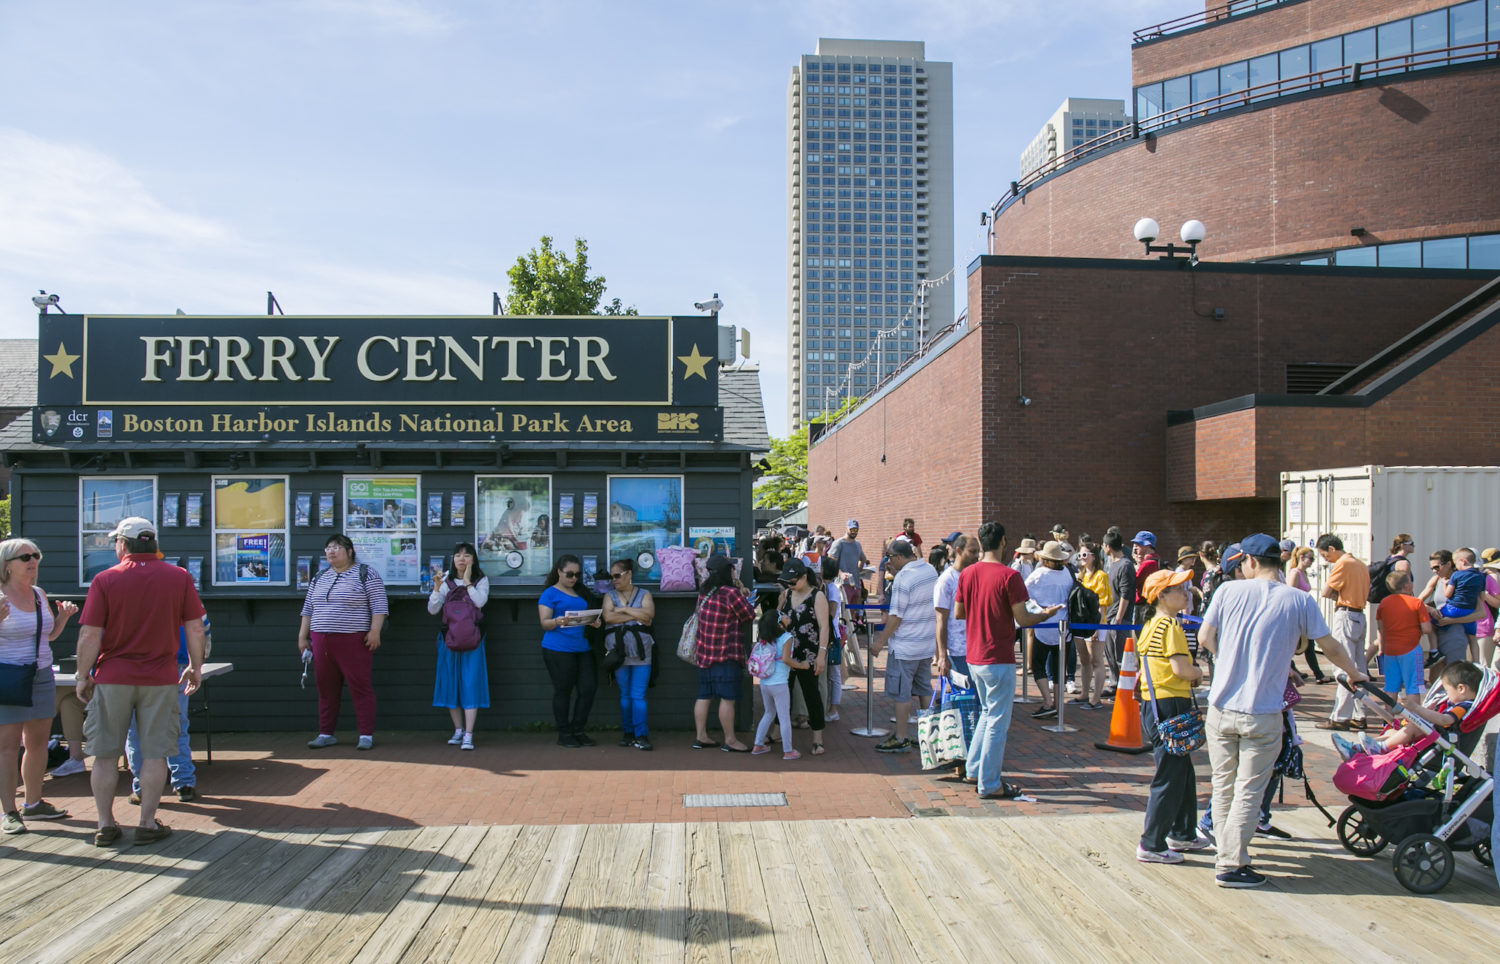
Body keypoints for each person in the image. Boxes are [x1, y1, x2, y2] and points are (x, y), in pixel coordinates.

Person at [1198, 533, 1366, 888]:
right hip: (1263, 711)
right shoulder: (1299, 601)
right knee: (1248, 789)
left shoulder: (1227, 592)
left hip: (1220, 706)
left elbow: (1205, 638)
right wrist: (1354, 674)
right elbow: (1331, 647)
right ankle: (1230, 862)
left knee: (1224, 784)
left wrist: (1225, 659)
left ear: (1251, 562)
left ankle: (1225, 854)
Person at [75, 518, 206, 847]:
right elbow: (195, 628)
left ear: (123, 543)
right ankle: (147, 822)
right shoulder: (178, 577)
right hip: (161, 678)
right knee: (155, 754)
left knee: (105, 755)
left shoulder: (105, 579)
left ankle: (105, 824)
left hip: (113, 677)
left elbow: (90, 634)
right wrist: (194, 667)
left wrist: (82, 675)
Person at [955, 521, 1062, 800]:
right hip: (997, 655)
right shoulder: (1009, 576)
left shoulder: (967, 574)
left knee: (988, 714)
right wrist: (1046, 614)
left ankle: (974, 769)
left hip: (974, 655)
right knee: (997, 722)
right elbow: (1023, 618)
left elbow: (959, 612)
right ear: (1003, 542)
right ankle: (989, 783)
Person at [0, 539, 79, 835]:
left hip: (41, 674)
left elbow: (46, 637)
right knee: (7, 747)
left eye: (35, 555)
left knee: (36, 743)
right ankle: (8, 810)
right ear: (7, 564)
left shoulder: (37, 594)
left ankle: (33, 804)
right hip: (8, 675)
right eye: (24, 557)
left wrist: (61, 619)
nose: (32, 561)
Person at [1135, 568, 1208, 863]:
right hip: (1170, 704)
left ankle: (1183, 831)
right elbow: (1182, 670)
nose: (1186, 592)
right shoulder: (1171, 627)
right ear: (1161, 595)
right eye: (1178, 588)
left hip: (1155, 705)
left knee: (1181, 771)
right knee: (1170, 774)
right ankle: (1152, 843)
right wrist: (1199, 673)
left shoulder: (1153, 624)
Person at [300, 534, 388, 751]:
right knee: (326, 687)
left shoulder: (365, 573)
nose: (331, 551)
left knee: (360, 686)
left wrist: (375, 631)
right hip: (321, 640)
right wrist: (302, 636)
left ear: (350, 552)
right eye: (328, 547)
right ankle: (325, 733)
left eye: (337, 547)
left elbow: (379, 605)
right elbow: (308, 609)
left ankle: (366, 735)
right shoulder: (319, 577)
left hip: (353, 639)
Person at [126, 613, 211, 804]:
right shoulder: (180, 588)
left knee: (135, 729)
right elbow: (202, 626)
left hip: (133, 664)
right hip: (174, 662)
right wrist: (197, 662)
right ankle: (184, 784)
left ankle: (142, 788)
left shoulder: (120, 587)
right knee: (176, 725)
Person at [1335, 660, 1481, 759]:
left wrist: (1416, 708)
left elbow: (1445, 719)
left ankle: (1381, 747)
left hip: (1436, 739)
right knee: (1393, 731)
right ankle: (1357, 749)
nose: (1447, 695)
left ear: (1461, 689)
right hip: (1432, 736)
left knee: (1412, 727)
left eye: (1448, 691)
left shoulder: (1465, 705)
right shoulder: (1458, 703)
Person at [871, 540, 937, 753]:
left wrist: (880, 642)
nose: (887, 562)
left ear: (899, 557)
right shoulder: (930, 570)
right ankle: (928, 735)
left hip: (905, 646)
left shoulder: (903, 578)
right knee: (924, 689)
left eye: (889, 557)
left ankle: (900, 737)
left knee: (902, 693)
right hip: (926, 644)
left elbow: (896, 615)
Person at [429, 541, 489, 751]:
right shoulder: (445, 580)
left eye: (467, 555)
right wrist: (436, 588)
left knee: (471, 683)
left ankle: (469, 733)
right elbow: (433, 609)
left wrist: (468, 582)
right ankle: (458, 729)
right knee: (450, 683)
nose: (461, 559)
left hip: (473, 639)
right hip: (449, 639)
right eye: (458, 555)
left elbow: (480, 602)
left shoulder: (481, 580)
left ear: (473, 559)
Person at [692, 554, 756, 752]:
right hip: (726, 654)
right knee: (727, 698)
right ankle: (730, 740)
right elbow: (748, 615)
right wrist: (745, 595)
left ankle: (701, 736)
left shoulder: (704, 591)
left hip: (704, 654)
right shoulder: (730, 593)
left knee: (704, 695)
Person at [538, 554, 600, 749]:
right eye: (570, 574)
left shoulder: (580, 591)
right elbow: (544, 623)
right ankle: (564, 733)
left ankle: (578, 729)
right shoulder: (550, 594)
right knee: (563, 690)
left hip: (582, 647)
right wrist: (557, 621)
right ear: (559, 572)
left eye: (577, 575)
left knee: (588, 688)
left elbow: (588, 614)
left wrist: (594, 622)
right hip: (558, 648)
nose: (573, 578)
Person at [1313, 534, 1370, 733]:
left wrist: (1338, 596)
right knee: (1358, 666)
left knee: (1344, 667)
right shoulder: (1360, 564)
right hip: (1360, 616)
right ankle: (1359, 714)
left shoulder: (1343, 564)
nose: (1324, 559)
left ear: (1331, 549)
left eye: (1324, 554)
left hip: (1345, 614)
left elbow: (1326, 591)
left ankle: (1341, 717)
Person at [776, 558, 829, 755]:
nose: (790, 585)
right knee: (783, 691)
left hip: (809, 654)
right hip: (787, 653)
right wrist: (779, 605)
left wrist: (821, 654)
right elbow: (779, 622)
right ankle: (776, 731)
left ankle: (817, 737)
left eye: (793, 581)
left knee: (811, 694)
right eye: (787, 582)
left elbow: (824, 627)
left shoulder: (817, 596)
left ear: (804, 577)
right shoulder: (787, 594)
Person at [603, 557, 656, 751]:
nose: (614, 580)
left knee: (637, 695)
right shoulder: (608, 596)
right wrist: (636, 614)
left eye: (617, 575)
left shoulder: (644, 593)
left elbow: (649, 615)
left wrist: (623, 609)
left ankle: (641, 734)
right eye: (611, 577)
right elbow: (608, 617)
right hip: (618, 652)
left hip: (642, 652)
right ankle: (628, 733)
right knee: (625, 694)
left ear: (629, 574)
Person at [1024, 541, 1073, 719]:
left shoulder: (1040, 574)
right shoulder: (1067, 573)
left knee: (1038, 665)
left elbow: (1024, 592)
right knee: (1059, 668)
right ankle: (1059, 704)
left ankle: (1047, 702)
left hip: (1044, 622)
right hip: (1064, 624)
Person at [1371, 568, 1433, 706]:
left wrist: (1381, 648)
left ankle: (1388, 721)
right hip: (1411, 649)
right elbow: (1427, 628)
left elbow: (1380, 629)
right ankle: (1414, 721)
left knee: (1391, 687)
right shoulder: (1416, 603)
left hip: (1390, 650)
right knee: (1413, 687)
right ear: (1406, 585)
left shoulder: (1384, 603)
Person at [751, 610, 800, 760]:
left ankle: (758, 744)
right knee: (784, 717)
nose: (787, 616)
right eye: (783, 615)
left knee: (769, 712)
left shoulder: (766, 638)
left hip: (765, 682)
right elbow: (786, 659)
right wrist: (801, 665)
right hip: (779, 684)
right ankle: (788, 750)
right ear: (779, 623)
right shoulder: (787, 637)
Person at [1073, 541, 1112, 709]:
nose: (1081, 558)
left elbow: (1102, 604)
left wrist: (1097, 627)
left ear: (1094, 557)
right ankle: (1084, 693)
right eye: (1079, 555)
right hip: (1080, 622)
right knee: (1084, 660)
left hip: (1096, 622)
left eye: (1084, 555)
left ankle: (1096, 698)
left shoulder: (1101, 576)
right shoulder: (1080, 575)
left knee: (1096, 660)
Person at [934, 535, 977, 682]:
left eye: (978, 551)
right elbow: (940, 620)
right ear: (958, 551)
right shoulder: (946, 580)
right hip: (957, 651)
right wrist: (942, 656)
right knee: (966, 700)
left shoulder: (975, 575)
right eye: (972, 551)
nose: (976, 556)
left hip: (978, 650)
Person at [1100, 529, 1138, 699]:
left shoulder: (1125, 565)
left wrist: (1119, 617)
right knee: (1110, 653)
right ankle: (1114, 683)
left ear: (1107, 547)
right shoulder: (1111, 564)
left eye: (1103, 546)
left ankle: (1125, 687)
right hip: (1109, 615)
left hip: (1119, 617)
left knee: (1121, 654)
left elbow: (1126, 593)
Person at [1287, 547, 1330, 684]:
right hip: (1297, 615)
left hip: (1304, 614)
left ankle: (1316, 674)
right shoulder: (1295, 573)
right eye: (1310, 558)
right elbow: (1290, 595)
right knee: (1299, 645)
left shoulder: (1303, 573)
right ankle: (1315, 674)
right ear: (1301, 558)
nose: (1312, 561)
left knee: (1308, 645)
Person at [1131, 531, 1162, 623]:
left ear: (1147, 545)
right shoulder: (1157, 561)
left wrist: (1135, 569)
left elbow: (1134, 582)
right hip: (1153, 605)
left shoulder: (1148, 564)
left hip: (1143, 607)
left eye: (1138, 544)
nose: (1135, 548)